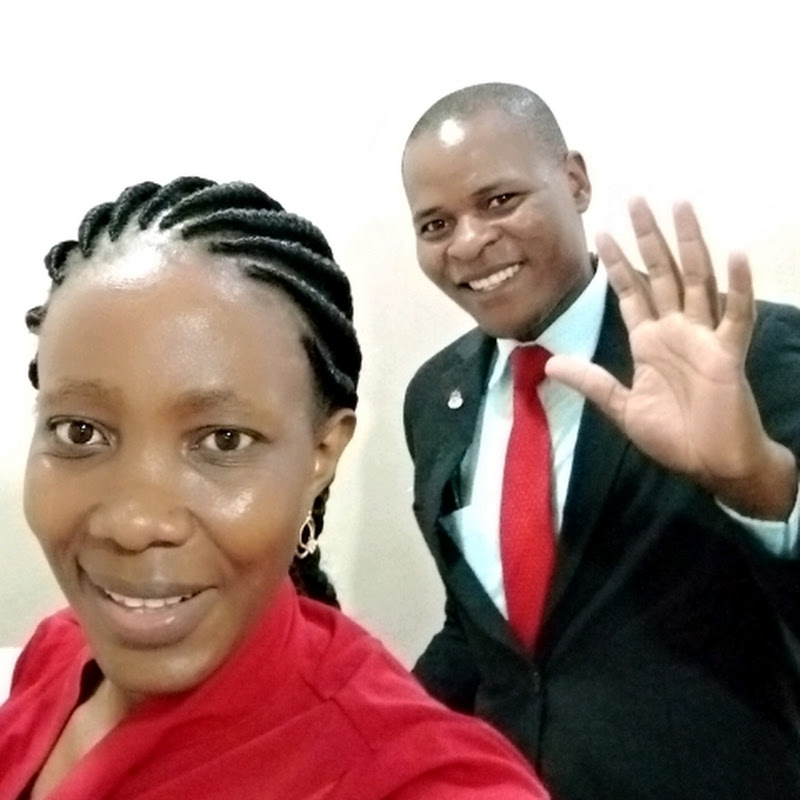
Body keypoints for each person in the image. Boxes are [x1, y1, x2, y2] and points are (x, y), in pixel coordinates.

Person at [0, 177, 549, 800]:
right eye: (80, 431)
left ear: (321, 455)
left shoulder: (412, 777)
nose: (133, 523)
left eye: (223, 440)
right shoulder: (59, 652)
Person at [400, 82, 800, 799]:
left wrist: (758, 485)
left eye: (499, 200)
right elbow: (481, 635)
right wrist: (374, 736)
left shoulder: (744, 354)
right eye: (435, 224)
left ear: (576, 181)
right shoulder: (434, 397)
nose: (468, 242)